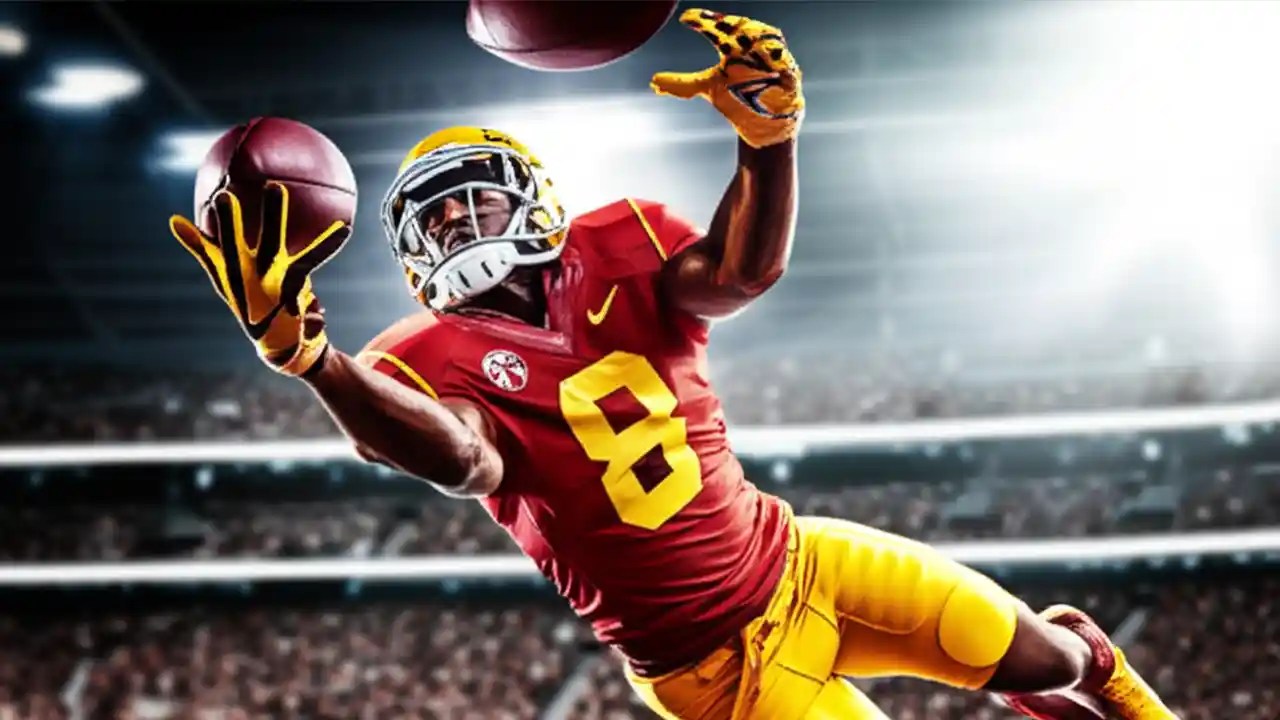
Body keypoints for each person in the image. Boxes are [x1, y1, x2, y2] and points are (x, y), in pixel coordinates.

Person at [169, 8, 1176, 719]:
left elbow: (741, 274)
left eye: (471, 203)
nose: (454, 229)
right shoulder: (413, 358)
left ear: (532, 200)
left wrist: (767, 143)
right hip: (708, 669)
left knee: (1050, 654)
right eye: (433, 221)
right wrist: (312, 360)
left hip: (796, 554)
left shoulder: (622, 241)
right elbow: (464, 463)